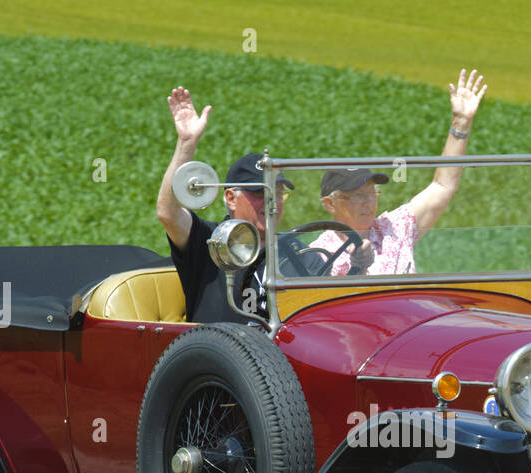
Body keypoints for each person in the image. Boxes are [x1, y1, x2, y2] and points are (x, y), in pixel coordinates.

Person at [308, 68, 489, 277]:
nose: (368, 203)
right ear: (330, 204)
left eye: (371, 193)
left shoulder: (395, 227)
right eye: (357, 196)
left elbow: (443, 186)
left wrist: (461, 124)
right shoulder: (317, 256)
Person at [155, 88, 302, 322]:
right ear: (231, 198)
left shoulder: (296, 250)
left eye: (278, 192)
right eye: (259, 193)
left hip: (285, 354)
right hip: (221, 354)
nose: (271, 201)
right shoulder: (209, 241)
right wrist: (187, 142)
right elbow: (167, 213)